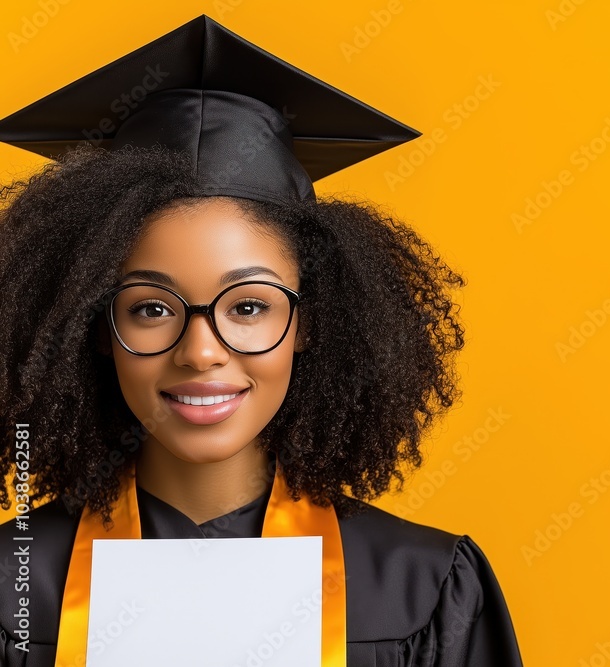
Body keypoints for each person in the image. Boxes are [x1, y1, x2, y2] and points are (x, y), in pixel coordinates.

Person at [0, 15, 523, 667]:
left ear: (309, 322)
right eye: (151, 307)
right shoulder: (12, 594)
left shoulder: (423, 591)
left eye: (248, 305)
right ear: (96, 327)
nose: (201, 351)